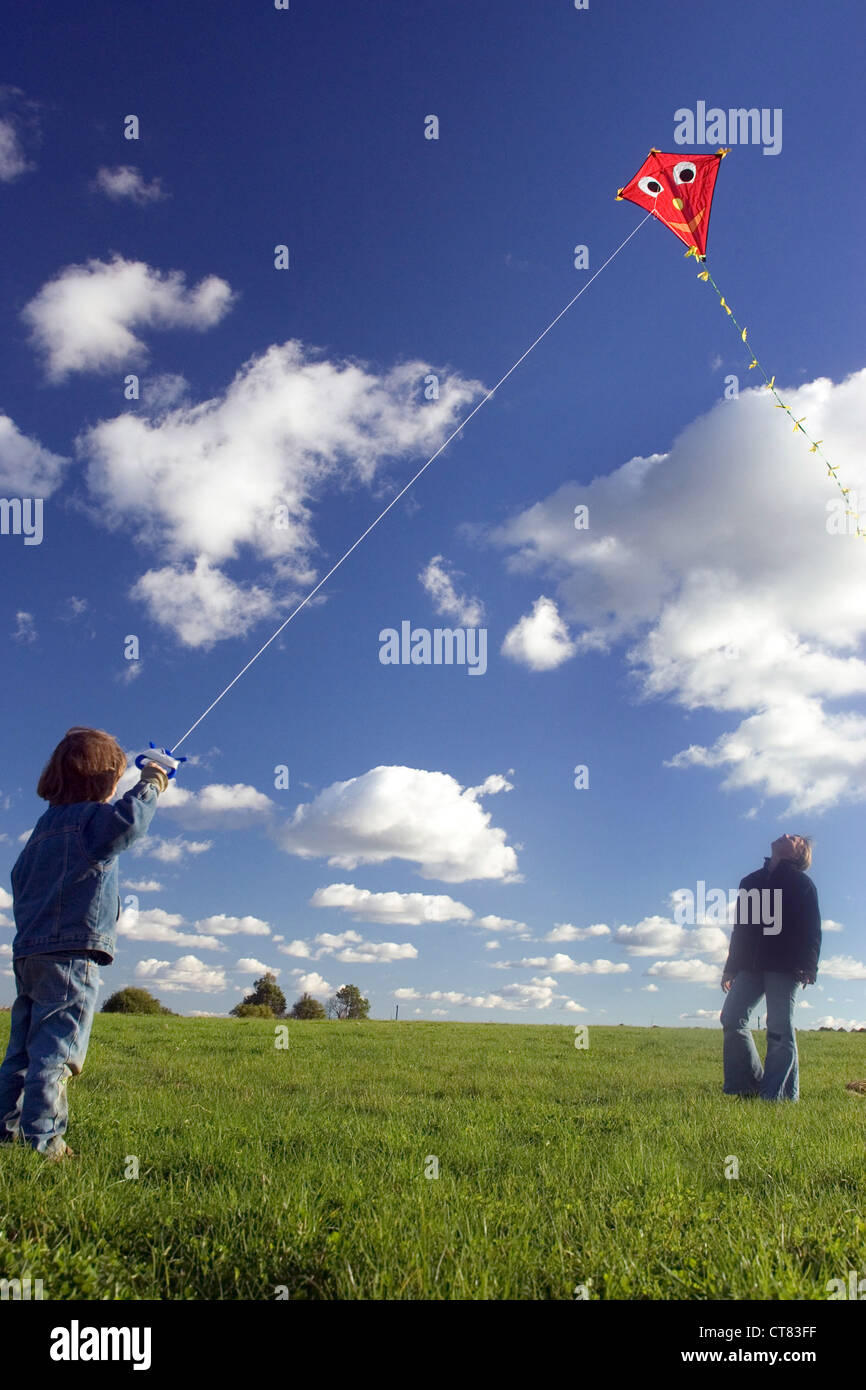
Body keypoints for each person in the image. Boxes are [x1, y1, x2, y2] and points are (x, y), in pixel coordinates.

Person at [0, 727, 170, 1159]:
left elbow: (18, 879)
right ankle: (44, 1143)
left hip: (29, 955)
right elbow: (128, 823)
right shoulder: (91, 821)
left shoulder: (41, 829)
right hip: (70, 957)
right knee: (55, 1051)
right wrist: (152, 780)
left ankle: (6, 1131)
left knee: (21, 1048)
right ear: (107, 781)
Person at [720, 833, 821, 1102]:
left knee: (779, 1028)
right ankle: (749, 1087)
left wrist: (808, 967)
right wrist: (731, 967)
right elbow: (740, 929)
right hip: (750, 966)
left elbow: (812, 929)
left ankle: (778, 1098)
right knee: (732, 1018)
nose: (786, 835)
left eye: (796, 839)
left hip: (786, 966)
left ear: (798, 854)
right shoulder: (750, 882)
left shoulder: (802, 884)